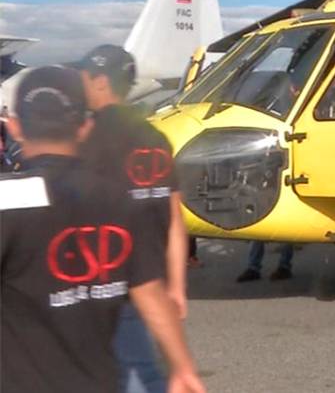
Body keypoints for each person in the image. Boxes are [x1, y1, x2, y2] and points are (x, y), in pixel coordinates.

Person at [0, 66, 204, 392]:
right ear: (84, 127)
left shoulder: (6, 198)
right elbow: (148, 290)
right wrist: (182, 366)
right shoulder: (117, 198)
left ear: (15, 126)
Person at [71, 44, 189, 393]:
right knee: (142, 367)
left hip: (106, 282)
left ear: (101, 81)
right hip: (156, 280)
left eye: (84, 77)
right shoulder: (157, 137)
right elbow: (174, 220)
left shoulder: (85, 138)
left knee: (124, 373)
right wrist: (177, 286)